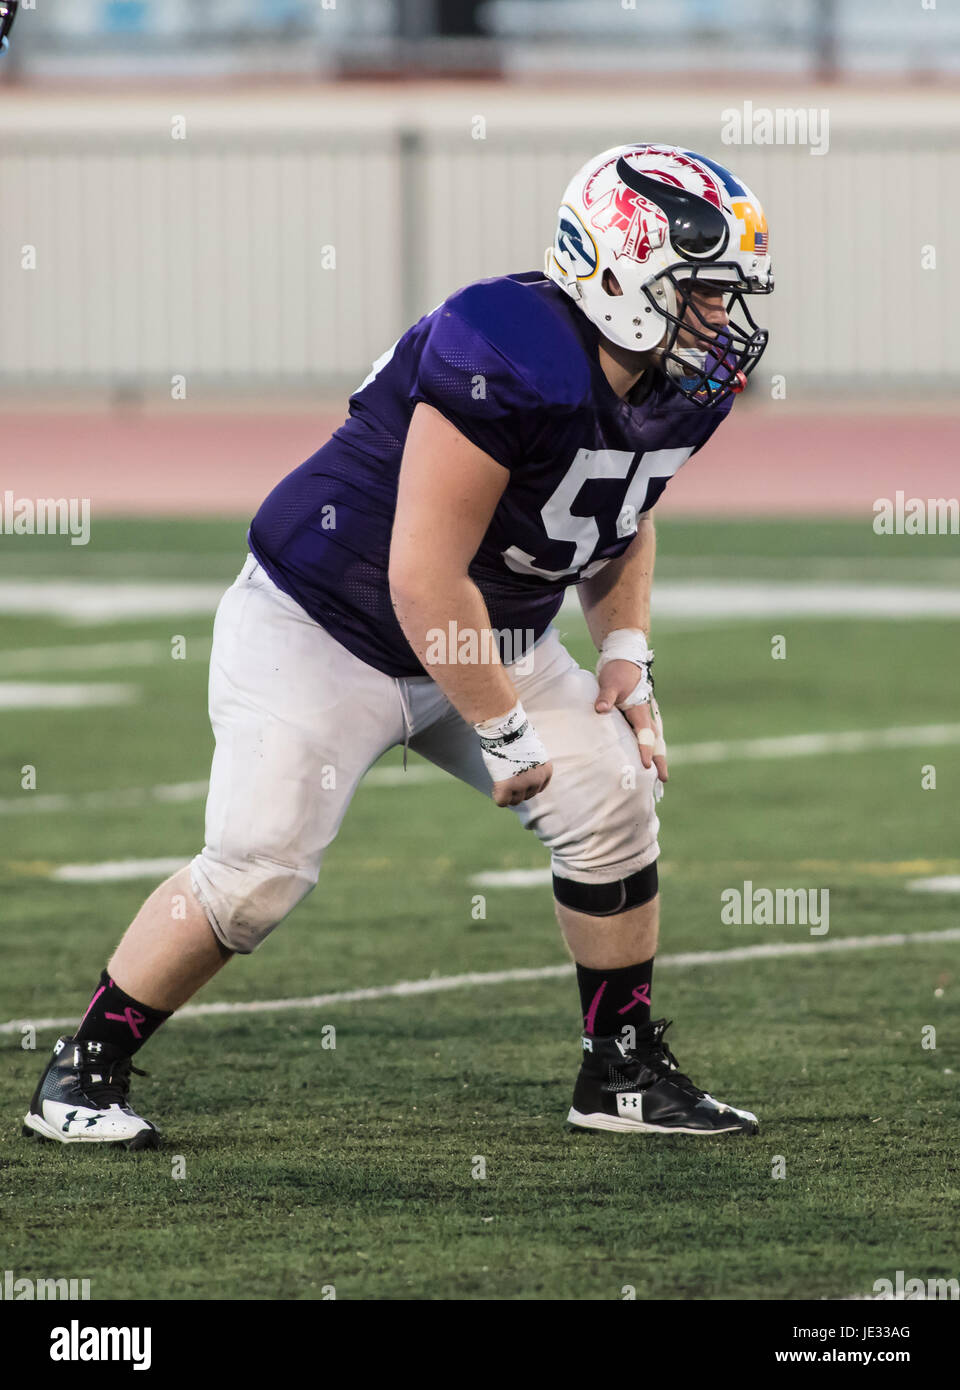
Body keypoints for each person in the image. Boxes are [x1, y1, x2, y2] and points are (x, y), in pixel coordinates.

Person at [23, 143, 773, 1148]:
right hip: (323, 625)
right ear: (625, 272)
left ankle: (620, 1073)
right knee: (257, 874)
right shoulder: (506, 346)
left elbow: (621, 507)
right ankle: (86, 1067)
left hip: (490, 630)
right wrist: (502, 729)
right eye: (704, 291)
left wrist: (626, 650)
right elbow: (422, 575)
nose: (723, 316)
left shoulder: (672, 383)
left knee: (608, 796)